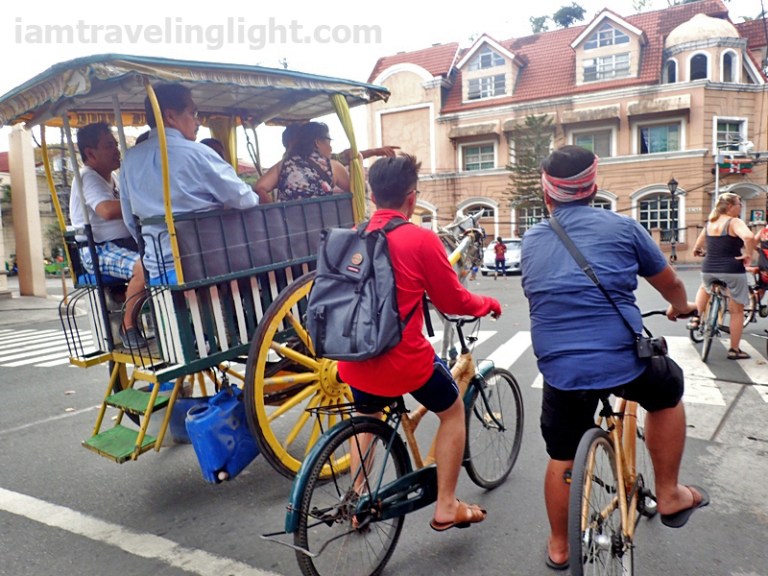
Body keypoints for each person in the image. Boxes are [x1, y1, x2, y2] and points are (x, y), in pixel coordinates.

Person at [520, 145, 705, 570]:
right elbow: (670, 283)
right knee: (668, 387)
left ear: (548, 196)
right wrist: (682, 307)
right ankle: (671, 493)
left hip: (561, 368)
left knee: (562, 454)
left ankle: (559, 546)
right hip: (622, 359)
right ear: (594, 188)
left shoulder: (531, 240)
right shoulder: (624, 228)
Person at [336, 154, 502, 533]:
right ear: (411, 198)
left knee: (367, 418)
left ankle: (358, 498)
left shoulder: (352, 236)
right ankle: (446, 505)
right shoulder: (420, 240)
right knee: (453, 410)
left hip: (354, 359)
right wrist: (488, 304)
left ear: (375, 197)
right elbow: (454, 303)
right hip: (402, 364)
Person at [119, 83, 268, 282]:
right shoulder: (197, 152)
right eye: (193, 113)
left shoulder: (130, 159)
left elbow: (130, 220)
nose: (197, 122)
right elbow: (245, 199)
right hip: (207, 267)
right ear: (170, 116)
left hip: (157, 267)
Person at [69, 122, 147, 348]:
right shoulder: (87, 177)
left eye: (115, 144)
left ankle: (131, 300)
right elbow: (106, 210)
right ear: (90, 153)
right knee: (145, 265)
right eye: (109, 145)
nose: (116, 150)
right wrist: (142, 202)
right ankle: (128, 326)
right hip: (98, 249)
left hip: (123, 245)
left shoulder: (113, 177)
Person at [690, 192, 756, 360]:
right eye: (739, 204)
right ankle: (734, 350)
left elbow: (697, 246)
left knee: (704, 286)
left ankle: (696, 318)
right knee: (737, 311)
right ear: (730, 207)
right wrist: (748, 254)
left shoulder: (710, 223)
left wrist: (700, 251)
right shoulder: (734, 222)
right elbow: (748, 236)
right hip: (732, 269)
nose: (740, 207)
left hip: (709, 268)